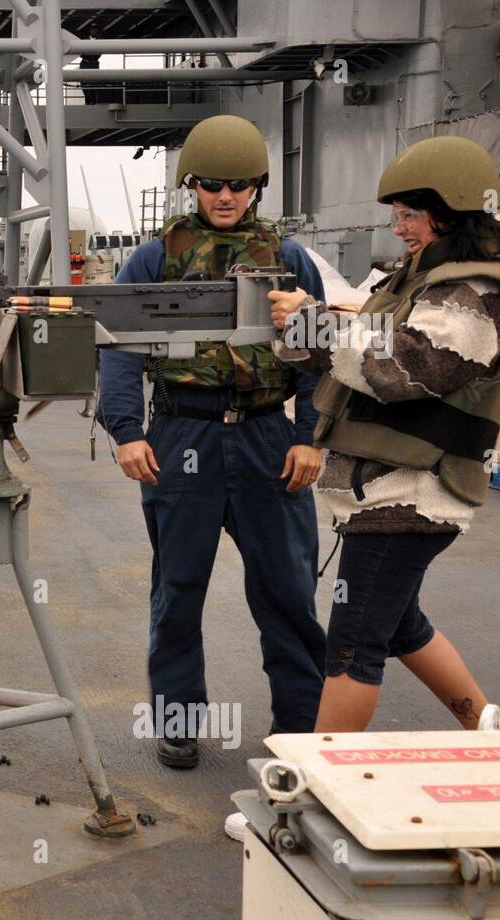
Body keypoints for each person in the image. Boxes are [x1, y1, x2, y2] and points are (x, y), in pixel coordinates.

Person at [267, 135, 500, 732]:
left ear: (451, 211)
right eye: (398, 216)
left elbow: (406, 368)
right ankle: (484, 727)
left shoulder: (471, 292)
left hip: (409, 496)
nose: (400, 229)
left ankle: (310, 795)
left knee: (353, 644)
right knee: (401, 624)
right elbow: (355, 359)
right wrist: (300, 329)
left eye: (410, 215)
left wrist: (313, 323)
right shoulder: (422, 279)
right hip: (388, 494)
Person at [98, 114, 328, 769]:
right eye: (212, 185)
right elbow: (117, 345)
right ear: (191, 185)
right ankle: (178, 721)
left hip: (265, 435)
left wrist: (310, 438)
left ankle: (300, 731)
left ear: (256, 186)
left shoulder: (288, 258)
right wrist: (126, 432)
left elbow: (313, 350)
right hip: (182, 432)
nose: (225, 197)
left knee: (287, 591)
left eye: (239, 185)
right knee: (178, 590)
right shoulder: (155, 257)